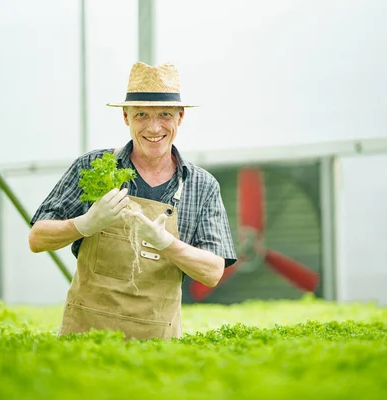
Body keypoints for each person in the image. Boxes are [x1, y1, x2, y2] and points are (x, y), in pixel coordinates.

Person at [28, 62, 237, 340]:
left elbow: (213, 271)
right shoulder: (93, 167)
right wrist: (84, 224)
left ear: (180, 117)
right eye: (141, 114)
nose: (154, 127)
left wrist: (168, 244)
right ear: (126, 116)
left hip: (157, 345)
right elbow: (37, 238)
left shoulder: (201, 185)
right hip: (86, 340)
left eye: (164, 114)